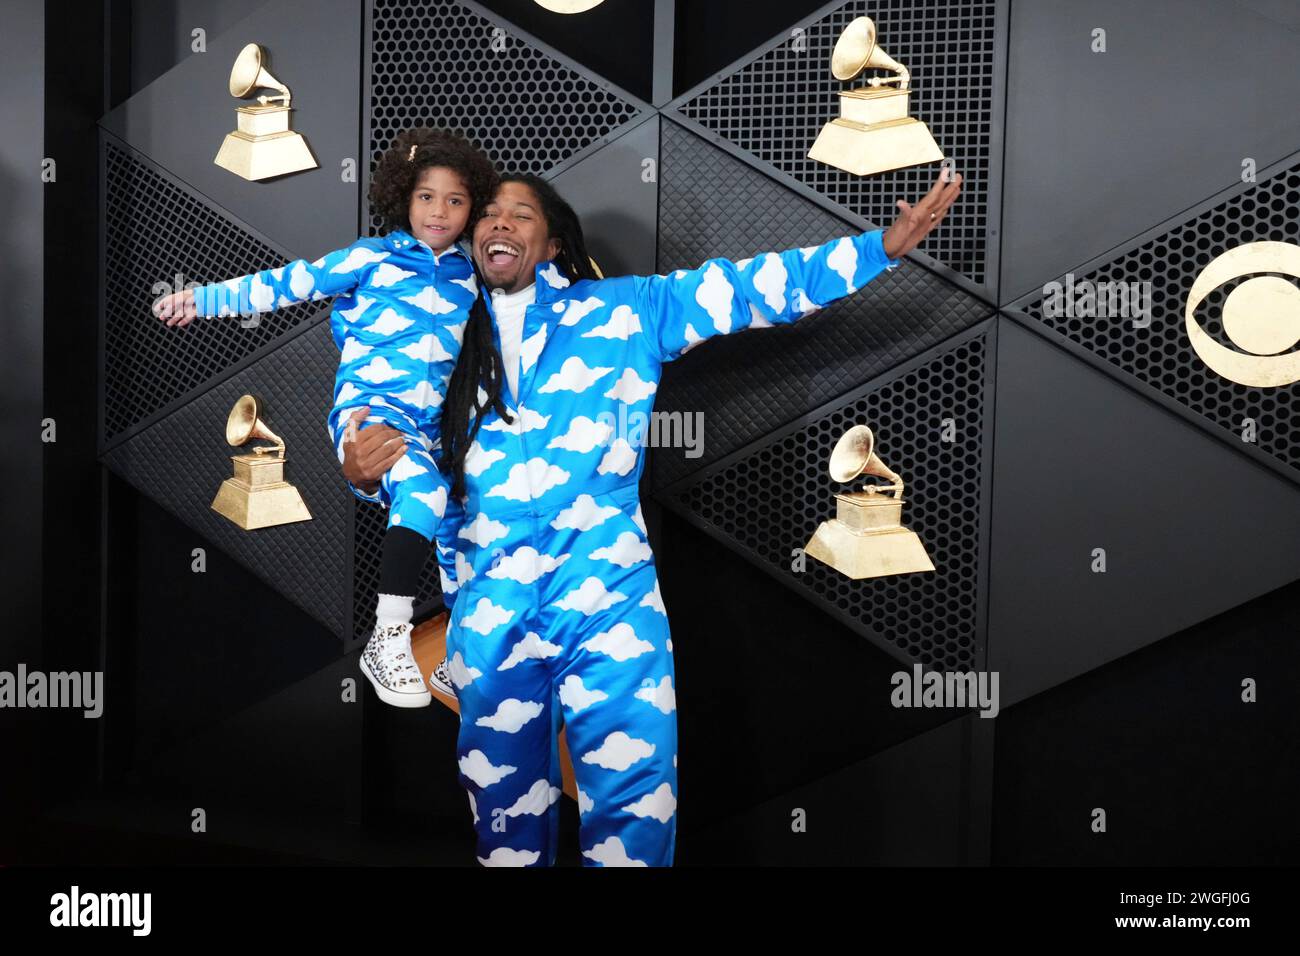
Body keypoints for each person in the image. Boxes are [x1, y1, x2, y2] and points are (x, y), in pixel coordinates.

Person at [342, 168, 963, 865]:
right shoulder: (438, 339)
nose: (500, 223)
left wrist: (881, 247)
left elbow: (751, 287)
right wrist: (362, 472)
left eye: (521, 214)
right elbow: (393, 450)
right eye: (487, 213)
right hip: (488, 617)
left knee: (637, 804)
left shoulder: (624, 311)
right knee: (504, 828)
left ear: (550, 247)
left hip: (610, 606)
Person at [153, 127, 499, 709]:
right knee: (423, 491)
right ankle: (388, 635)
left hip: (432, 428)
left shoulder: (471, 277)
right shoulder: (373, 256)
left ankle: (458, 656)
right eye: (426, 196)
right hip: (370, 412)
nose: (439, 210)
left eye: (455, 200)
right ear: (402, 198)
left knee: (459, 526)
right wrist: (201, 299)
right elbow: (289, 284)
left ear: (471, 209)